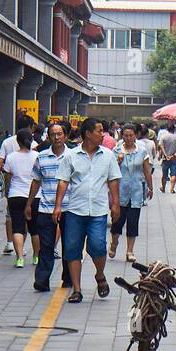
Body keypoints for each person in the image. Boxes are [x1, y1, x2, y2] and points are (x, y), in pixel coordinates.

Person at [53, 117, 121, 302]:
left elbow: (113, 180)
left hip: (98, 211)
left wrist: (115, 204)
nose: (102, 134)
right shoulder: (71, 156)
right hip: (75, 210)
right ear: (88, 133)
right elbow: (63, 181)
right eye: (99, 131)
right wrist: (58, 206)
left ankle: (100, 275)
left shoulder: (108, 155)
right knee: (72, 249)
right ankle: (77, 289)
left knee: (98, 246)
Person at [29, 121, 70, 292]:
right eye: (53, 134)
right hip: (46, 208)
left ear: (65, 136)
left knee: (69, 245)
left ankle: (68, 278)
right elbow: (36, 181)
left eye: (60, 134)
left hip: (69, 208)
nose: (57, 137)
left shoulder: (74, 156)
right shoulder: (42, 156)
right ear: (48, 136)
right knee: (46, 245)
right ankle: (42, 280)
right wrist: (29, 203)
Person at [110, 124, 153, 263]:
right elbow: (110, 172)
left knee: (133, 222)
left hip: (136, 191)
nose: (128, 138)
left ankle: (129, 251)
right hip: (120, 191)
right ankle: (114, 243)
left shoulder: (142, 151)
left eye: (131, 135)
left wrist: (150, 187)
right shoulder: (116, 151)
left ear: (135, 136)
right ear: (122, 136)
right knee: (117, 221)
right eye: (126, 135)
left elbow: (147, 170)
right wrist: (118, 161)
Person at [0, 114, 36, 256]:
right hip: (32, 193)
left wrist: (5, 190)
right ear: (30, 128)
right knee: (30, 223)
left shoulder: (7, 142)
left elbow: (1, 162)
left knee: (12, 218)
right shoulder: (35, 147)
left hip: (15, 192)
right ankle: (29, 251)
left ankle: (10, 244)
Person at [158, 123, 176, 194]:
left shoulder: (163, 137)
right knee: (173, 174)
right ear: (174, 129)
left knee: (164, 175)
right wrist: (174, 156)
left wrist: (164, 155)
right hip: (174, 158)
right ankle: (171, 189)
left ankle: (163, 188)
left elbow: (161, 147)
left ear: (167, 129)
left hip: (165, 158)